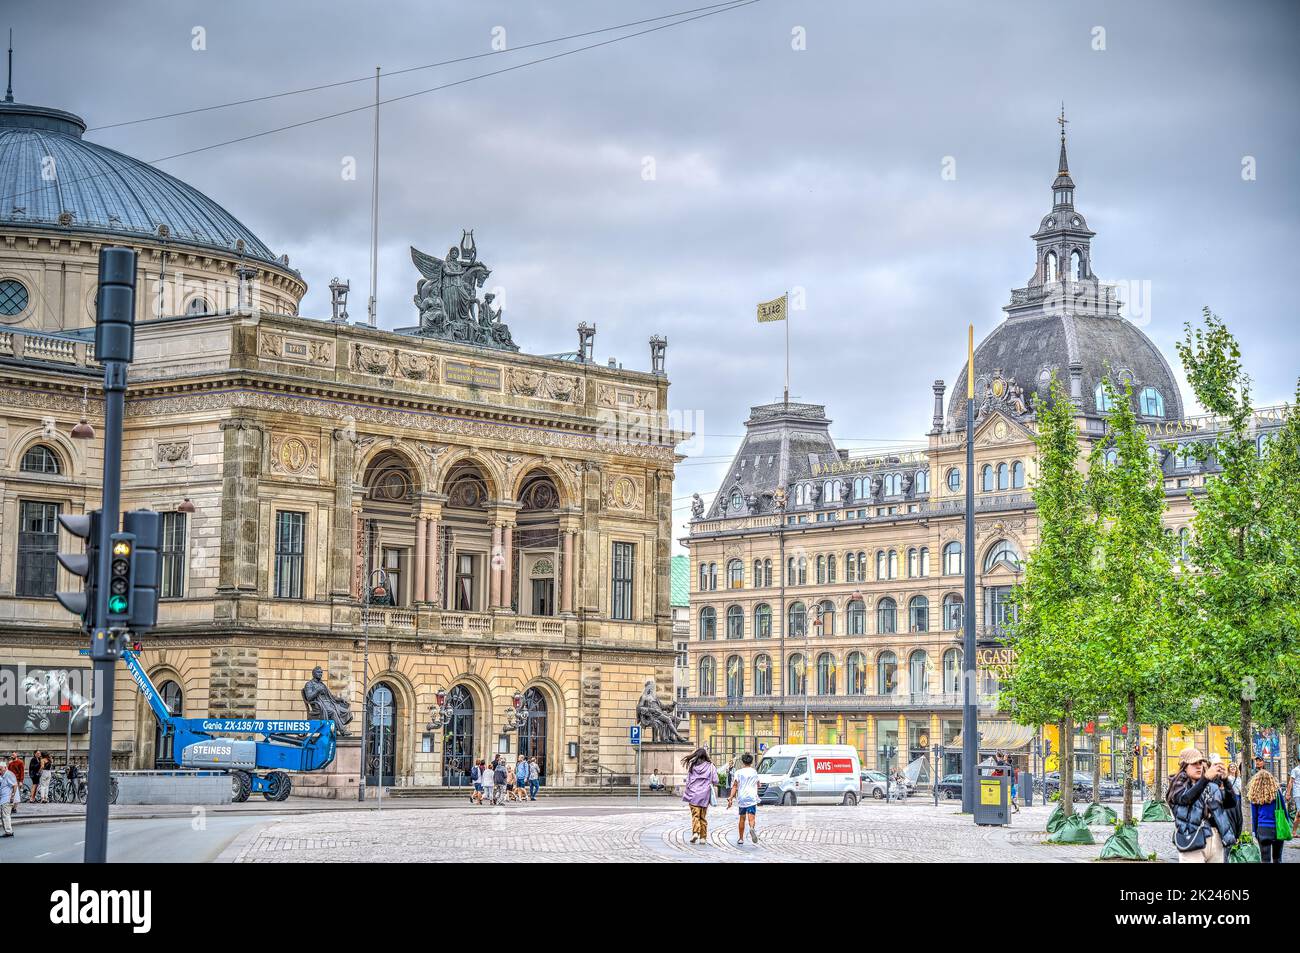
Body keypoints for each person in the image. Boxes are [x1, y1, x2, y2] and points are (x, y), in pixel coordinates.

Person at [1167, 748, 1237, 863]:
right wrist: (1206, 778)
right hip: (1192, 839)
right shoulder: (1177, 784)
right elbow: (1186, 799)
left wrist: (1225, 780)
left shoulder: (1210, 785)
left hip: (1215, 838)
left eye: (1200, 763)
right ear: (1184, 766)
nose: (1199, 766)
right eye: (1194, 763)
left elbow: (1231, 803)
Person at [1247, 755, 1285, 864]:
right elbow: (1283, 808)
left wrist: (1255, 830)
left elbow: (1254, 816)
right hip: (1277, 827)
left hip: (1263, 828)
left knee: (1265, 860)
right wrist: (1287, 822)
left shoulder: (1254, 794)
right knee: (1278, 859)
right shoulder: (1277, 792)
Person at [681, 746, 717, 845]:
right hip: (705, 795)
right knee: (703, 817)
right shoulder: (711, 766)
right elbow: (715, 780)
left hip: (693, 794)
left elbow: (688, 781)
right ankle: (703, 838)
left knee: (695, 815)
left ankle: (696, 832)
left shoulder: (692, 766)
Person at [727, 752, 760, 846]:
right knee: (751, 817)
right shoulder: (754, 772)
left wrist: (730, 797)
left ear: (742, 762)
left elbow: (735, 786)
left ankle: (741, 839)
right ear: (751, 762)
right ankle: (752, 828)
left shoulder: (738, 772)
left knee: (742, 818)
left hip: (742, 798)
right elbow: (758, 784)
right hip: (752, 797)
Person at [0, 760, 16, 837]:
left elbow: (14, 785)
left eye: (1, 769)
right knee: (4, 815)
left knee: (6, 815)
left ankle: (9, 831)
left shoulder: (9, 774)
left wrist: (12, 796)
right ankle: (7, 831)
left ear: (5, 768)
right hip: (3, 798)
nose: (0, 771)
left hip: (7, 798)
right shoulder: (3, 775)